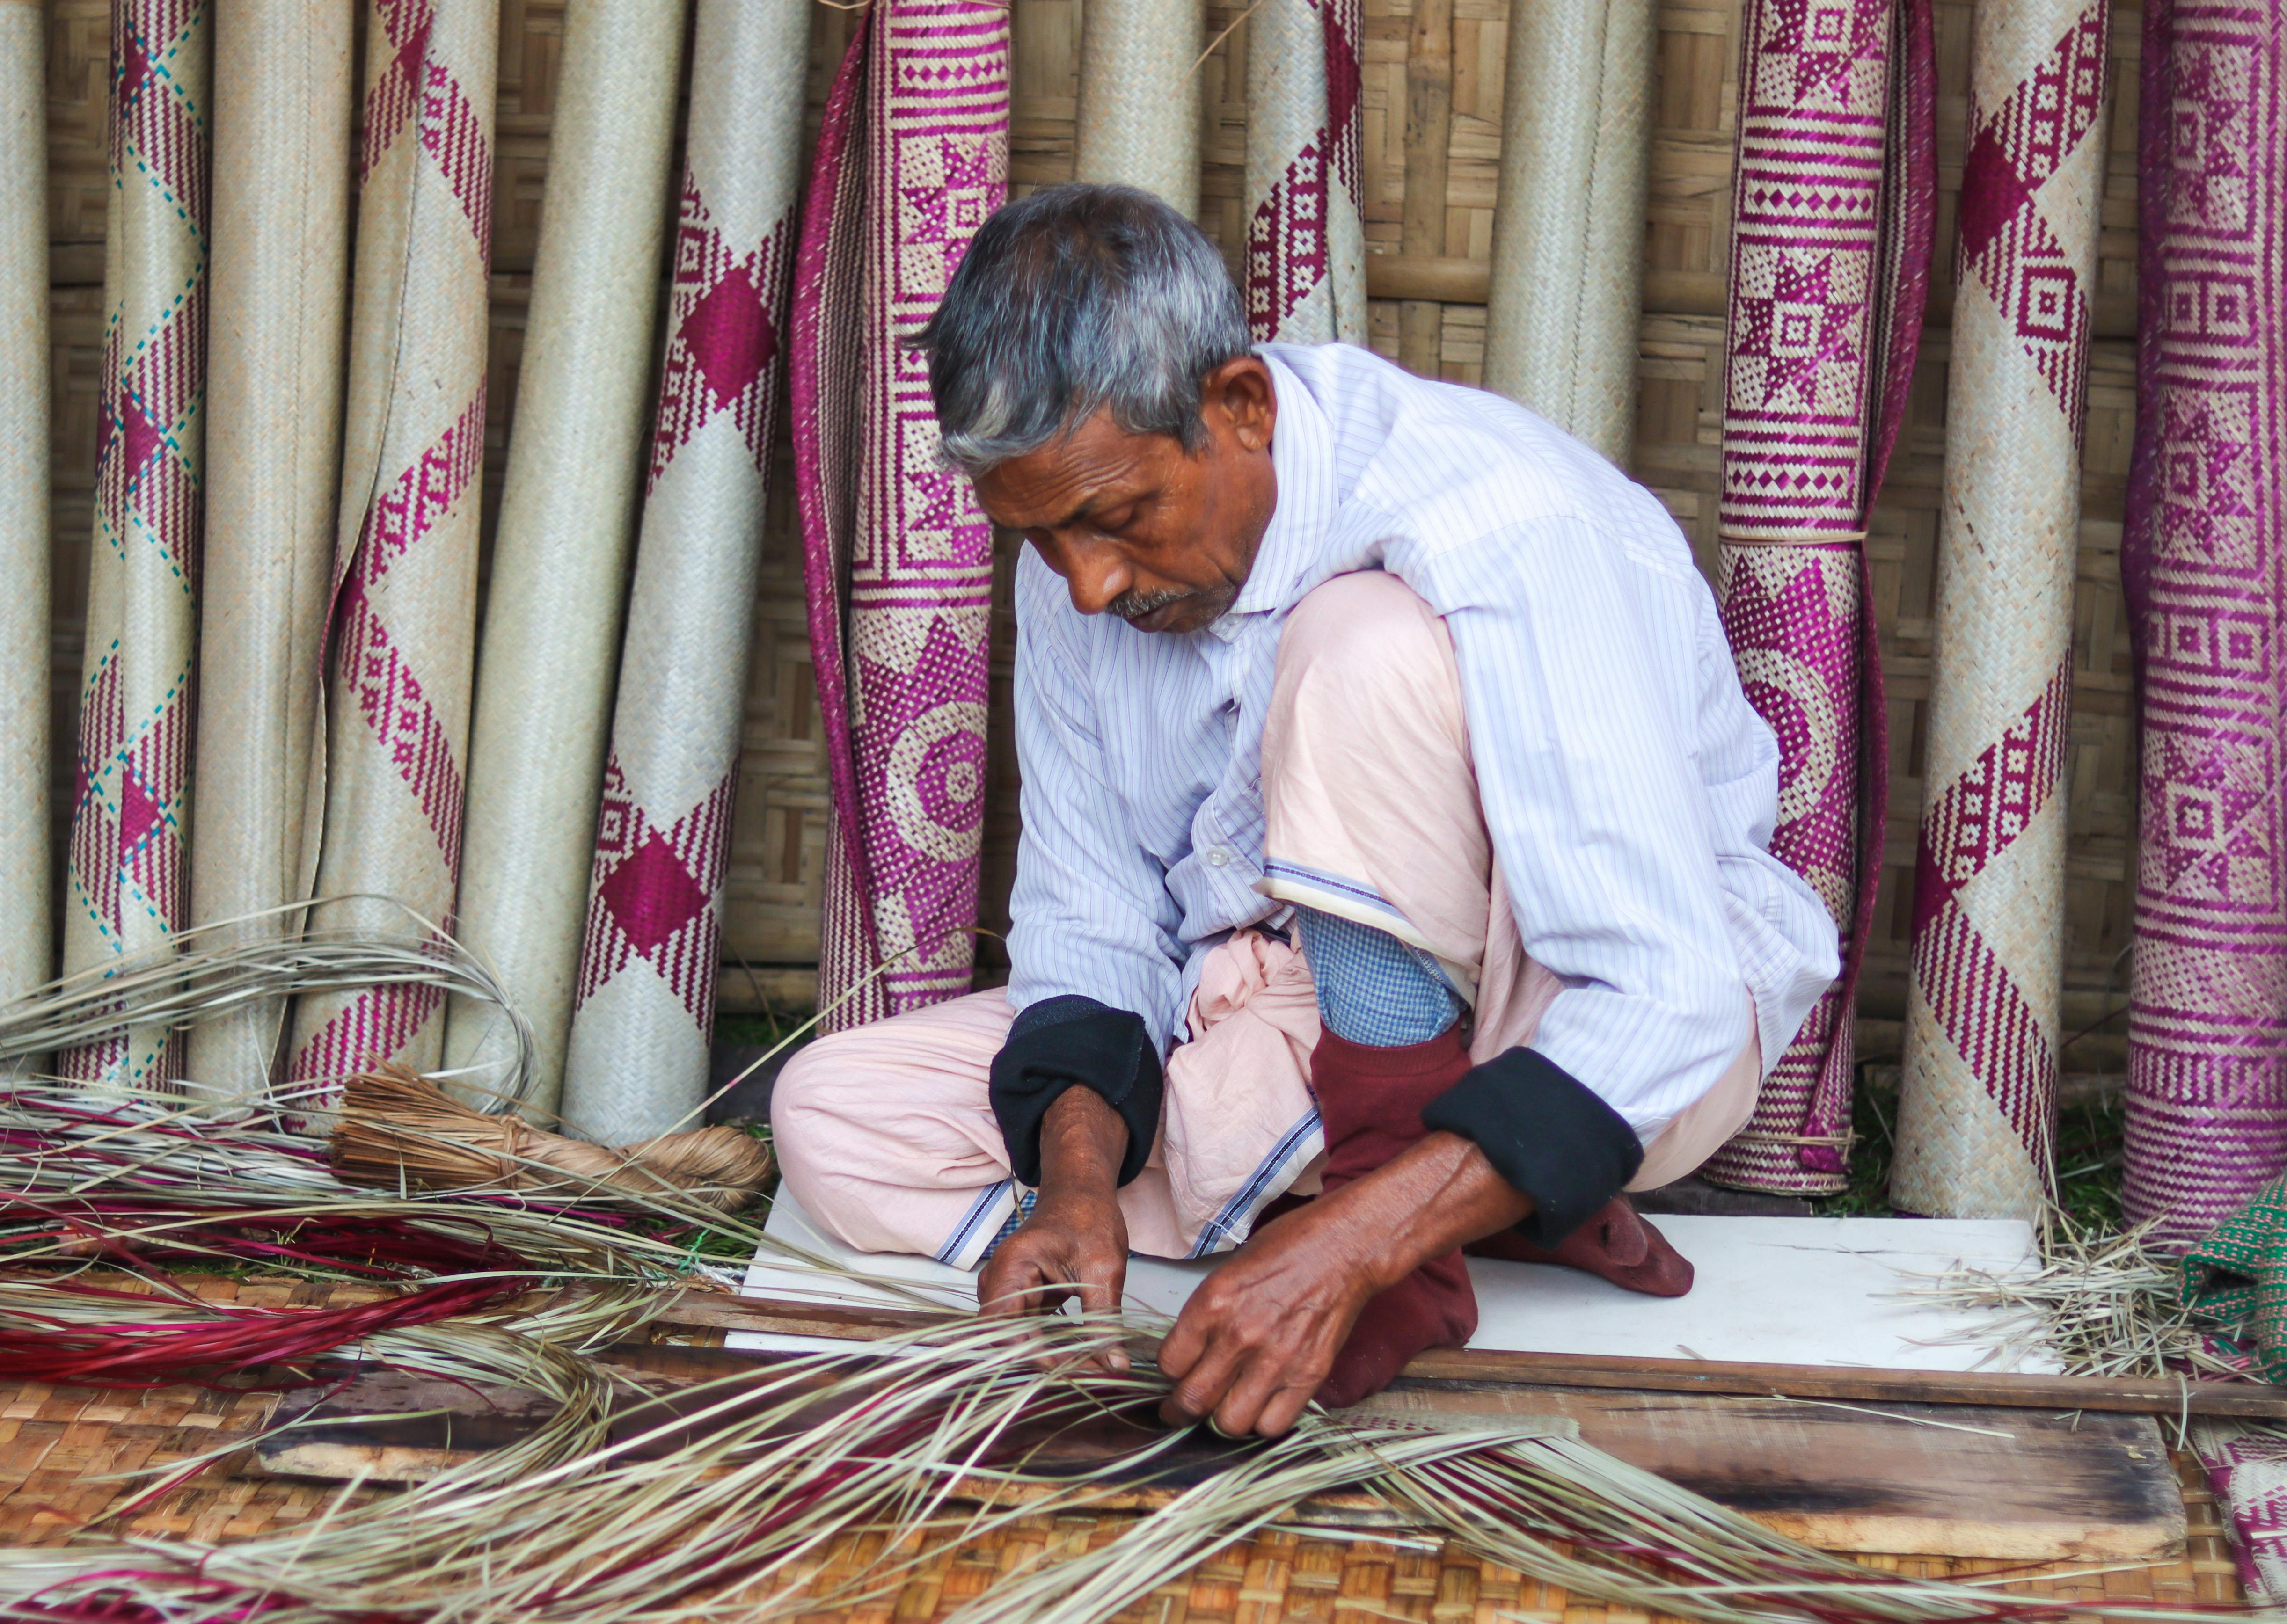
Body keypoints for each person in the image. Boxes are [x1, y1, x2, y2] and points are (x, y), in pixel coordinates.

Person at [770, 183, 1836, 1437]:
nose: (1091, 584)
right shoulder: (1076, 564)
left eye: (1116, 521)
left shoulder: (1496, 516)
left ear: (1240, 408)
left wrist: (1356, 1247)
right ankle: (1499, 1192)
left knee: (1360, 644)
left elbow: (1666, 995)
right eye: (1045, 540)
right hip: (1283, 1018)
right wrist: (1071, 1186)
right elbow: (1095, 917)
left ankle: (1393, 1227)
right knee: (834, 1118)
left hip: (1574, 1008)